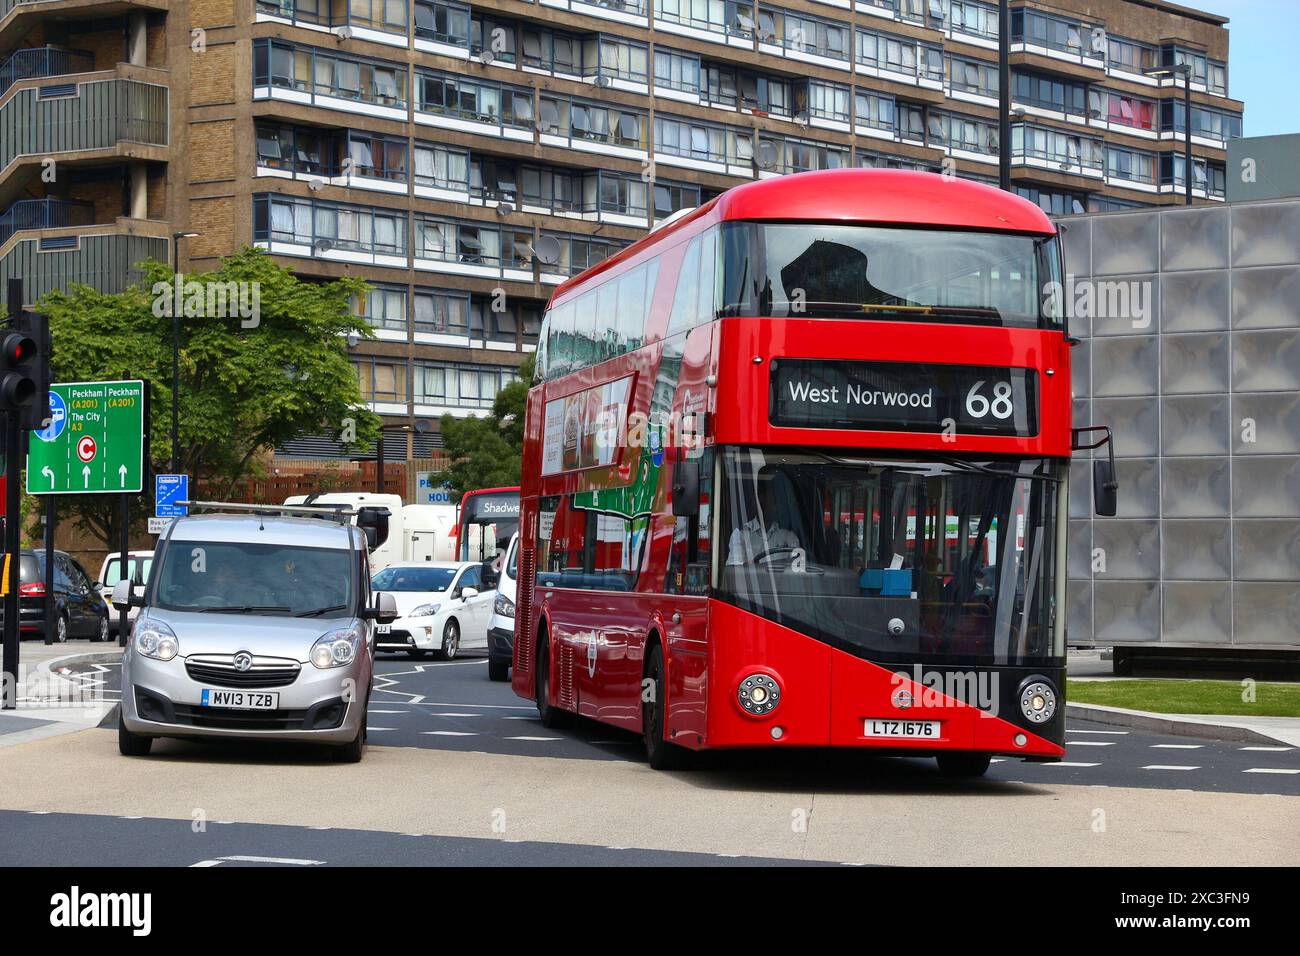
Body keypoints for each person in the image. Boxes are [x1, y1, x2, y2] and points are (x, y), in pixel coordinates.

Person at [726, 480, 801, 566]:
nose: (764, 506)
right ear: (755, 504)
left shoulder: (788, 536)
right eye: (761, 502)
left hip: (782, 580)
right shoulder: (740, 534)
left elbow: (796, 569)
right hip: (750, 580)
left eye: (771, 501)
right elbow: (736, 570)